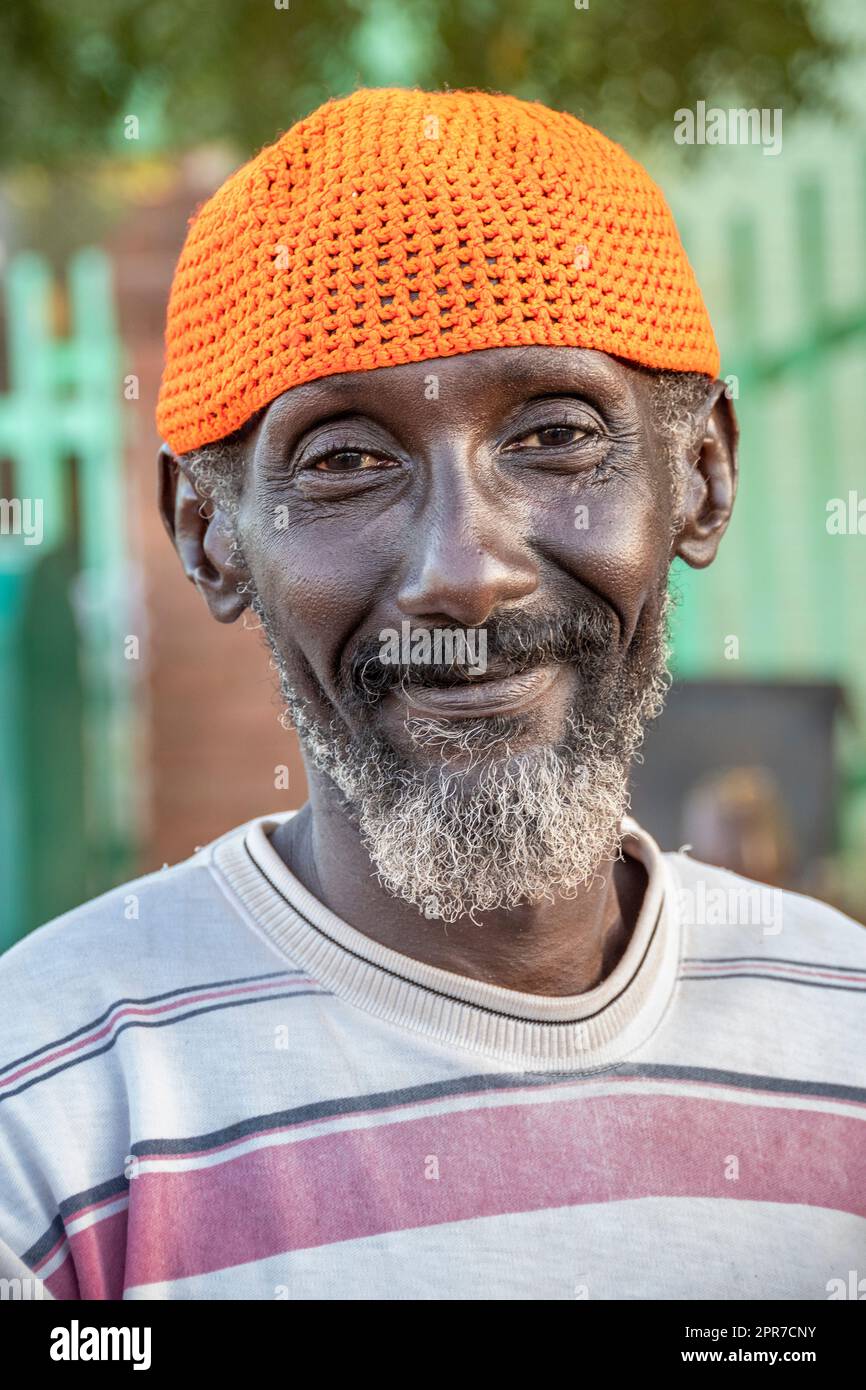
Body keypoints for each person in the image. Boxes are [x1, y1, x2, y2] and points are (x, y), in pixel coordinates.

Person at [1, 87, 863, 1302]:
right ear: (210, 537)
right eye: (345, 459)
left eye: (555, 435)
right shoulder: (46, 1116)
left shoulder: (845, 1039)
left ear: (700, 479)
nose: (464, 572)